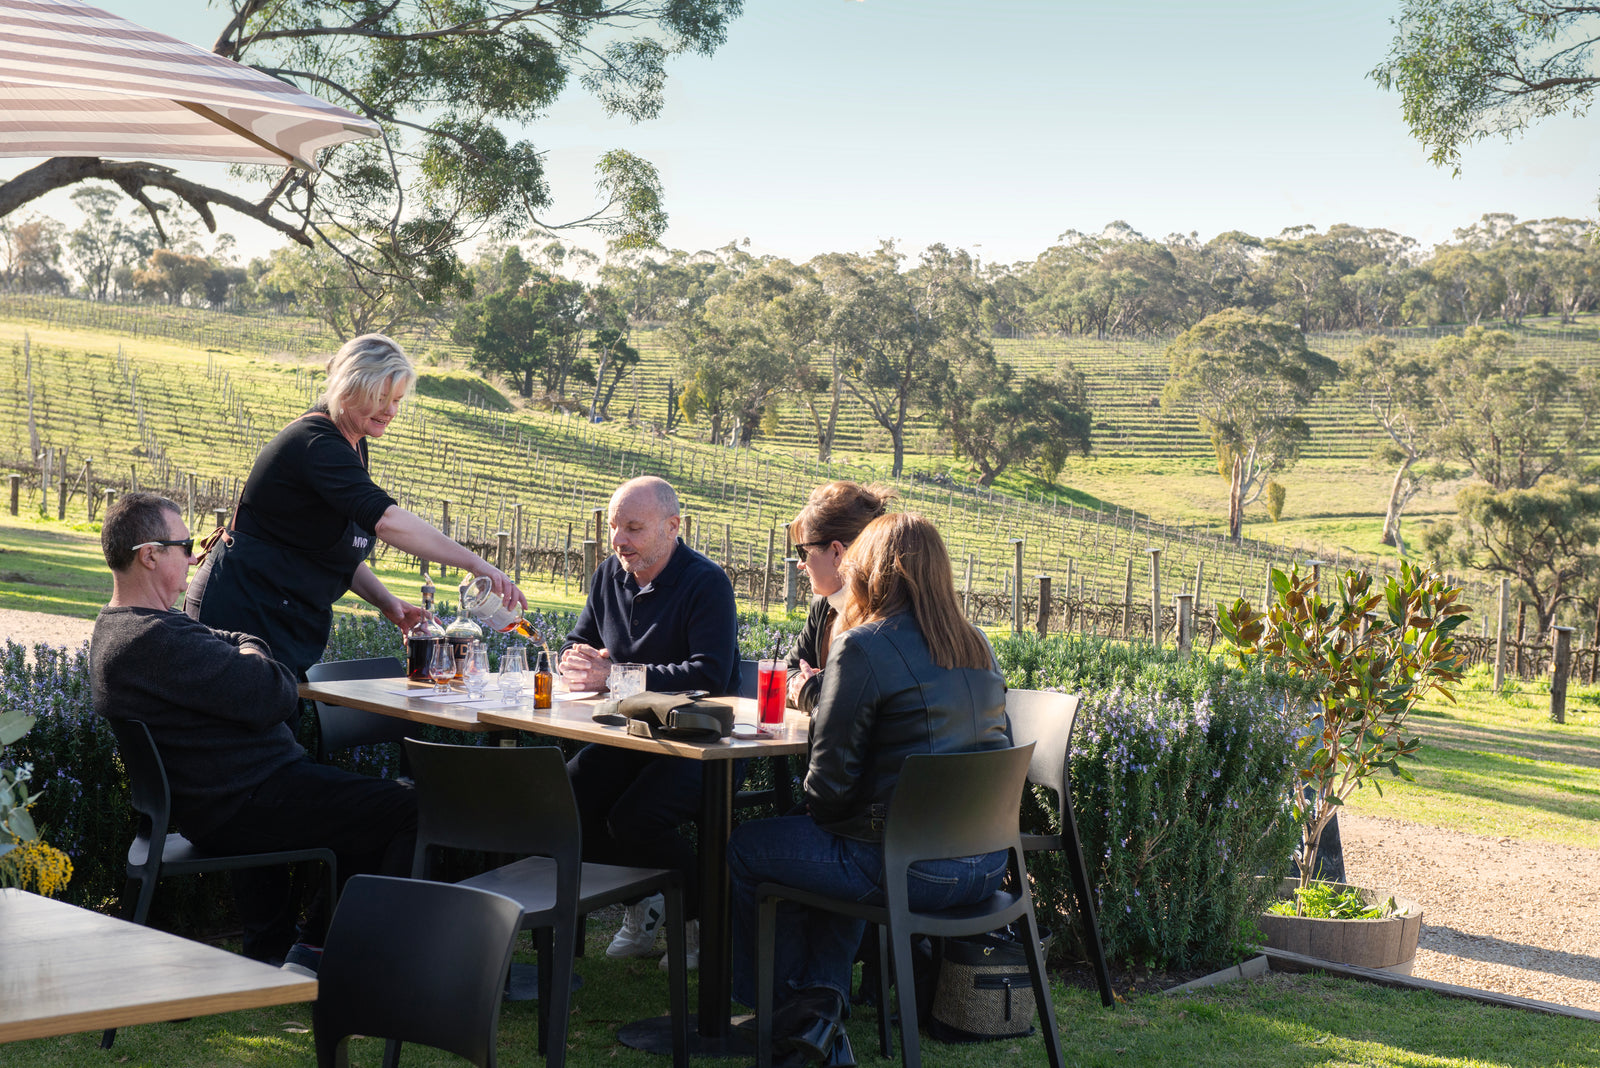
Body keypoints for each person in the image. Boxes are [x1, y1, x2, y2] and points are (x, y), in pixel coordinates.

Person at [727, 513, 1012, 1068]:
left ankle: (794, 1018)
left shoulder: (862, 647)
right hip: (985, 864)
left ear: (871, 574)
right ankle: (821, 1009)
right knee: (829, 848)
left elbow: (827, 796)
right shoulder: (976, 642)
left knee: (750, 848)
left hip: (910, 870)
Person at [90, 492, 417, 972]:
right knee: (408, 810)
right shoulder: (152, 640)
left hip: (236, 793)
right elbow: (277, 693)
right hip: (243, 802)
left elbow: (240, 642)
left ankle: (293, 947)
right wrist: (254, 661)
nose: (195, 556)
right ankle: (323, 951)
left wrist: (248, 653)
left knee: (375, 803)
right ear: (150, 554)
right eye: (185, 546)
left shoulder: (131, 627)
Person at [185, 333, 525, 689]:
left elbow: (336, 551)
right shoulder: (317, 443)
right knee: (247, 737)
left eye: (396, 400)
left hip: (280, 615)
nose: (391, 411)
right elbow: (387, 520)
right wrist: (476, 564)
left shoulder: (353, 443)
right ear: (349, 390)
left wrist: (387, 603)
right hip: (241, 612)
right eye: (381, 398)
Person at [560, 476, 740, 971]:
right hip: (632, 738)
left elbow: (710, 673)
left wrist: (615, 675)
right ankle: (647, 904)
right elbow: (578, 639)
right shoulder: (607, 575)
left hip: (705, 742)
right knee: (567, 797)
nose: (619, 541)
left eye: (633, 528)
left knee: (634, 819)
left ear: (672, 527)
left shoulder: (706, 583)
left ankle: (702, 919)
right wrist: (571, 661)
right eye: (615, 527)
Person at [783, 481, 895, 714]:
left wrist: (815, 689)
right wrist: (803, 686)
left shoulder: (885, 613)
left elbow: (864, 704)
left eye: (803, 551)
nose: (801, 564)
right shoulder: (824, 605)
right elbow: (787, 669)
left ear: (836, 552)